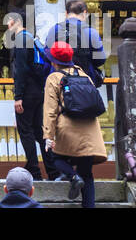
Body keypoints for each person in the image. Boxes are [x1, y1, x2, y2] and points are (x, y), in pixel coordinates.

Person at [43, 41, 108, 207]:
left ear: (54, 61)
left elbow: (50, 110)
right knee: (87, 174)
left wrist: (48, 136)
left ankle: (73, 177)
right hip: (90, 130)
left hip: (68, 127)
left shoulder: (54, 77)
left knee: (55, 157)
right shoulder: (83, 74)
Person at [5, 10, 51, 180]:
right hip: (38, 91)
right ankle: (52, 170)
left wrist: (18, 97)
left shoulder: (21, 39)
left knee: (26, 131)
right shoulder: (31, 38)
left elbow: (21, 70)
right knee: (40, 132)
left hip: (27, 93)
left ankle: (34, 169)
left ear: (15, 21)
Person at [49, 0, 106, 87]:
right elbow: (100, 59)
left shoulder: (54, 30)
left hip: (59, 81)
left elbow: (47, 55)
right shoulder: (91, 32)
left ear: (66, 13)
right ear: (84, 13)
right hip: (85, 81)